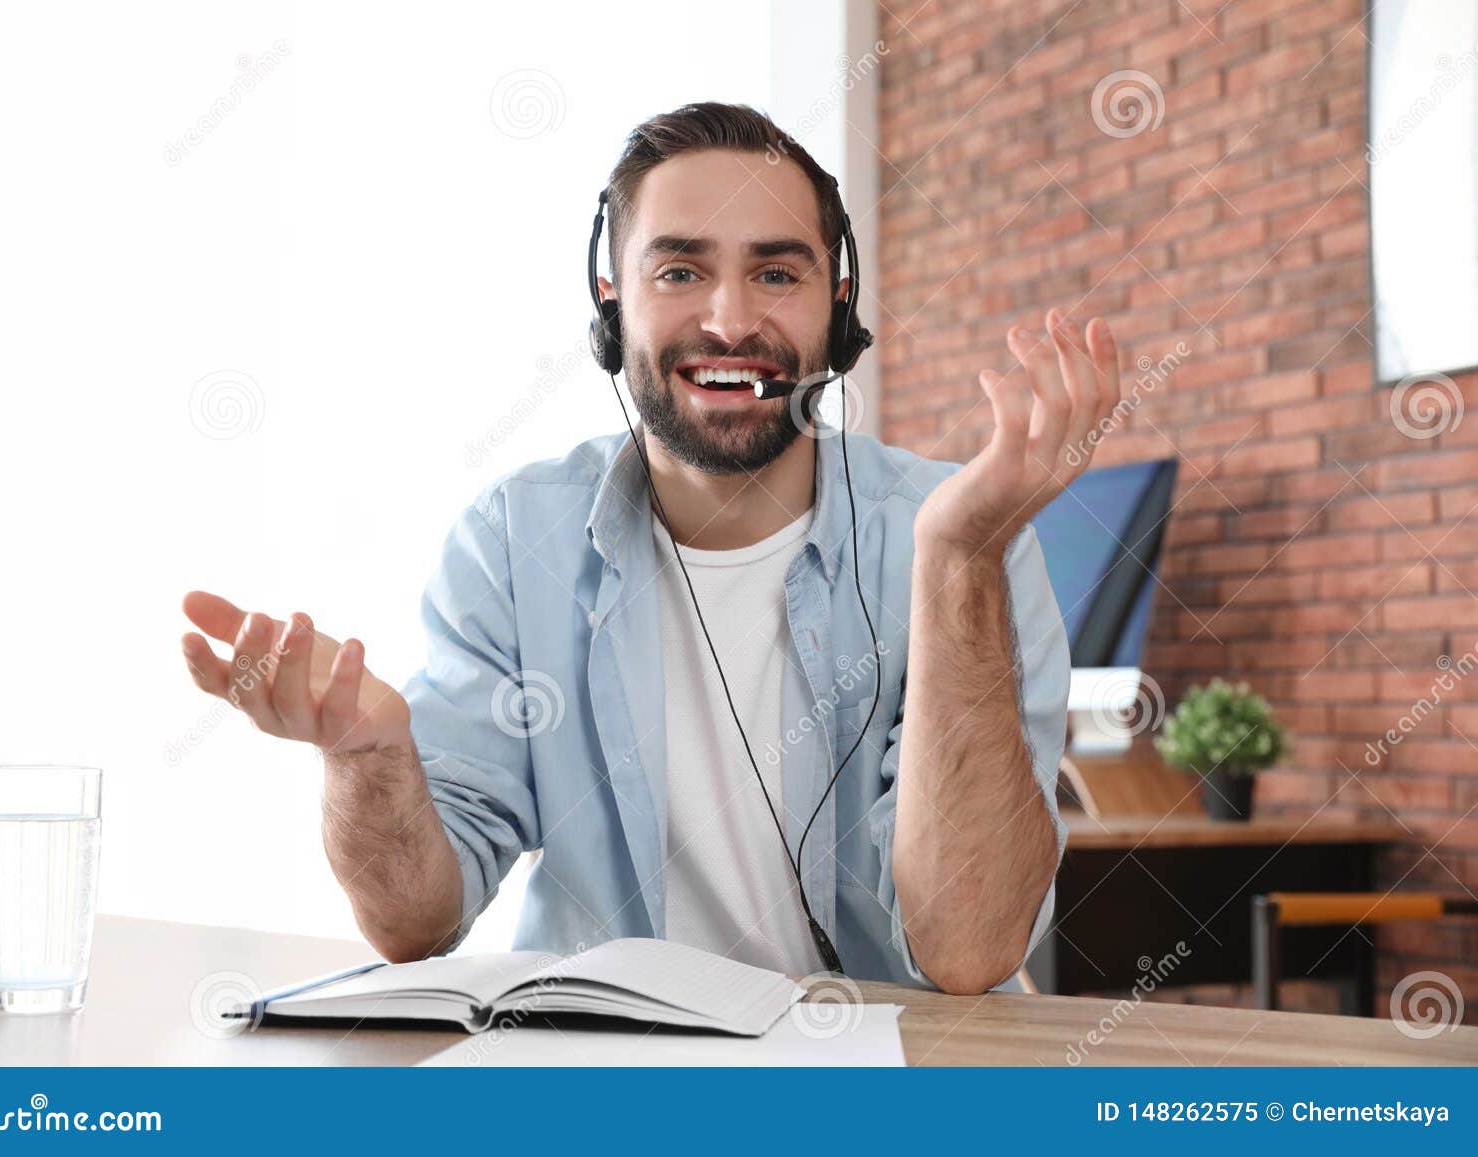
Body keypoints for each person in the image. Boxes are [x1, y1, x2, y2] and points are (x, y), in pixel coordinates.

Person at [180, 102, 1122, 992]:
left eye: (778, 273)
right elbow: (416, 924)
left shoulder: (964, 541)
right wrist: (364, 758)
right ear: (611, 299)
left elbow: (970, 948)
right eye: (679, 271)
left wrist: (958, 561)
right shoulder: (517, 540)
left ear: (838, 308)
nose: (728, 319)